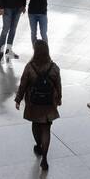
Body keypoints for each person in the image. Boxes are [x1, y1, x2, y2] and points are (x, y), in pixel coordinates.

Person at [14, 40, 62, 171]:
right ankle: (45, 159)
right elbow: (58, 85)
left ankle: (38, 145)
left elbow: (23, 84)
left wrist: (18, 99)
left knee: (35, 124)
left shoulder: (30, 67)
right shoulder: (54, 67)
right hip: (48, 104)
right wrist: (59, 99)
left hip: (34, 104)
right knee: (46, 129)